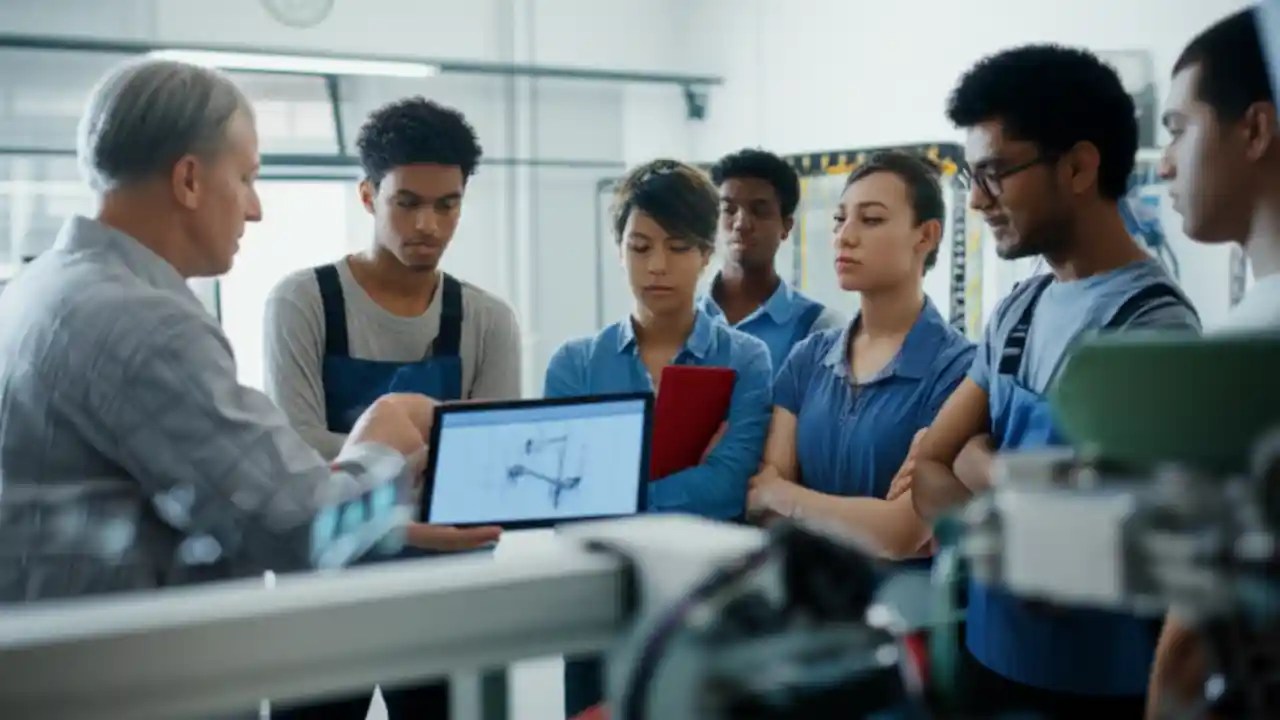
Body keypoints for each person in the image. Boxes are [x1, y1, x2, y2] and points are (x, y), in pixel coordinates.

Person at [0, 58, 501, 603]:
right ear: (189, 179)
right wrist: (380, 439)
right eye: (246, 178)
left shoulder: (40, 287)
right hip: (125, 671)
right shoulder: (149, 326)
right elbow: (298, 531)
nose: (256, 209)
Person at [905, 45, 1201, 717]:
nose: (977, 201)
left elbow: (1082, 570)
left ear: (1078, 166)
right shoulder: (1018, 310)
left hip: (1091, 693)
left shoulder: (1152, 332)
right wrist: (1022, 494)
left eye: (995, 174)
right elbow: (927, 466)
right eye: (970, 177)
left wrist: (982, 463)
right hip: (986, 667)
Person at [544, 158, 773, 717]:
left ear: (705, 254)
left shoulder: (745, 358)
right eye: (640, 247)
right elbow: (567, 500)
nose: (657, 266)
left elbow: (727, 487)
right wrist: (678, 484)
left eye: (676, 247)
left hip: (705, 600)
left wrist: (620, 498)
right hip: (596, 601)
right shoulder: (575, 364)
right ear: (618, 249)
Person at [264, 97, 521, 462]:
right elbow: (296, 448)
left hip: (450, 521)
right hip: (336, 518)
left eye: (447, 205)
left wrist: (374, 451)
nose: (428, 225)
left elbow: (494, 452)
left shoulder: (490, 321)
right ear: (369, 197)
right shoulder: (302, 303)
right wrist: (434, 454)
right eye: (407, 203)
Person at [745, 151, 974, 559]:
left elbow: (898, 532)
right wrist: (863, 519)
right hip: (811, 604)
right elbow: (762, 506)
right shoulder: (808, 359)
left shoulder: (958, 370)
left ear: (926, 236)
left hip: (909, 613)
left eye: (871, 220)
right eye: (839, 219)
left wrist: (785, 494)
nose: (844, 236)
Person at [1149, 9, 1280, 718]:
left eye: (1177, 129)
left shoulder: (1243, 355)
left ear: (1255, 129)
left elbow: (1191, 645)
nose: (1164, 161)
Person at [702, 148, 844, 371]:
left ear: (786, 226)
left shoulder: (816, 328)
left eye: (759, 211)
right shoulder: (684, 319)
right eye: (728, 210)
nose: (741, 223)